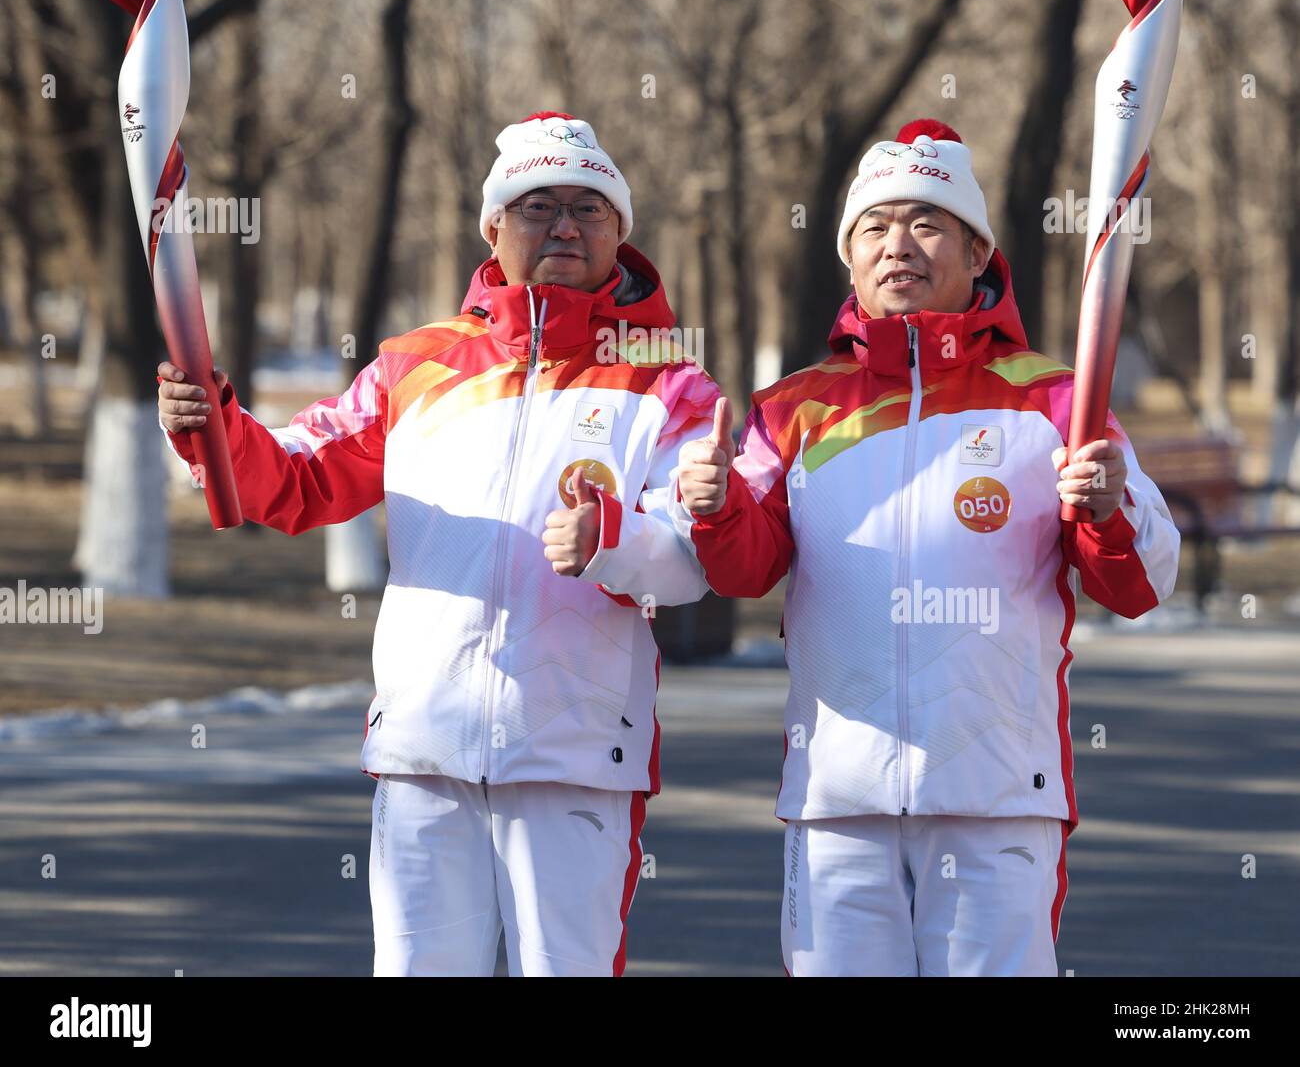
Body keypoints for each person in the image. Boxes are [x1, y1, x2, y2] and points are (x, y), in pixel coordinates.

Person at [158, 111, 720, 976]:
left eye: (587, 208)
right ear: (494, 228)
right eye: (537, 206)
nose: (564, 225)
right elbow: (300, 479)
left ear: (620, 232)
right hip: (425, 751)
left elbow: (691, 559)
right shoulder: (414, 366)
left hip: (573, 759)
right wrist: (216, 430)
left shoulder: (666, 378)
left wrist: (611, 540)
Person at [673, 118, 1180, 976]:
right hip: (838, 798)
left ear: (978, 251)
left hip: (996, 796)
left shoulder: (1055, 399)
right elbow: (747, 566)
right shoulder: (794, 409)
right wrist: (717, 507)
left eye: (926, 223)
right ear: (849, 256)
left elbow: (1139, 583)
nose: (898, 245)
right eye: (874, 226)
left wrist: (1106, 510)